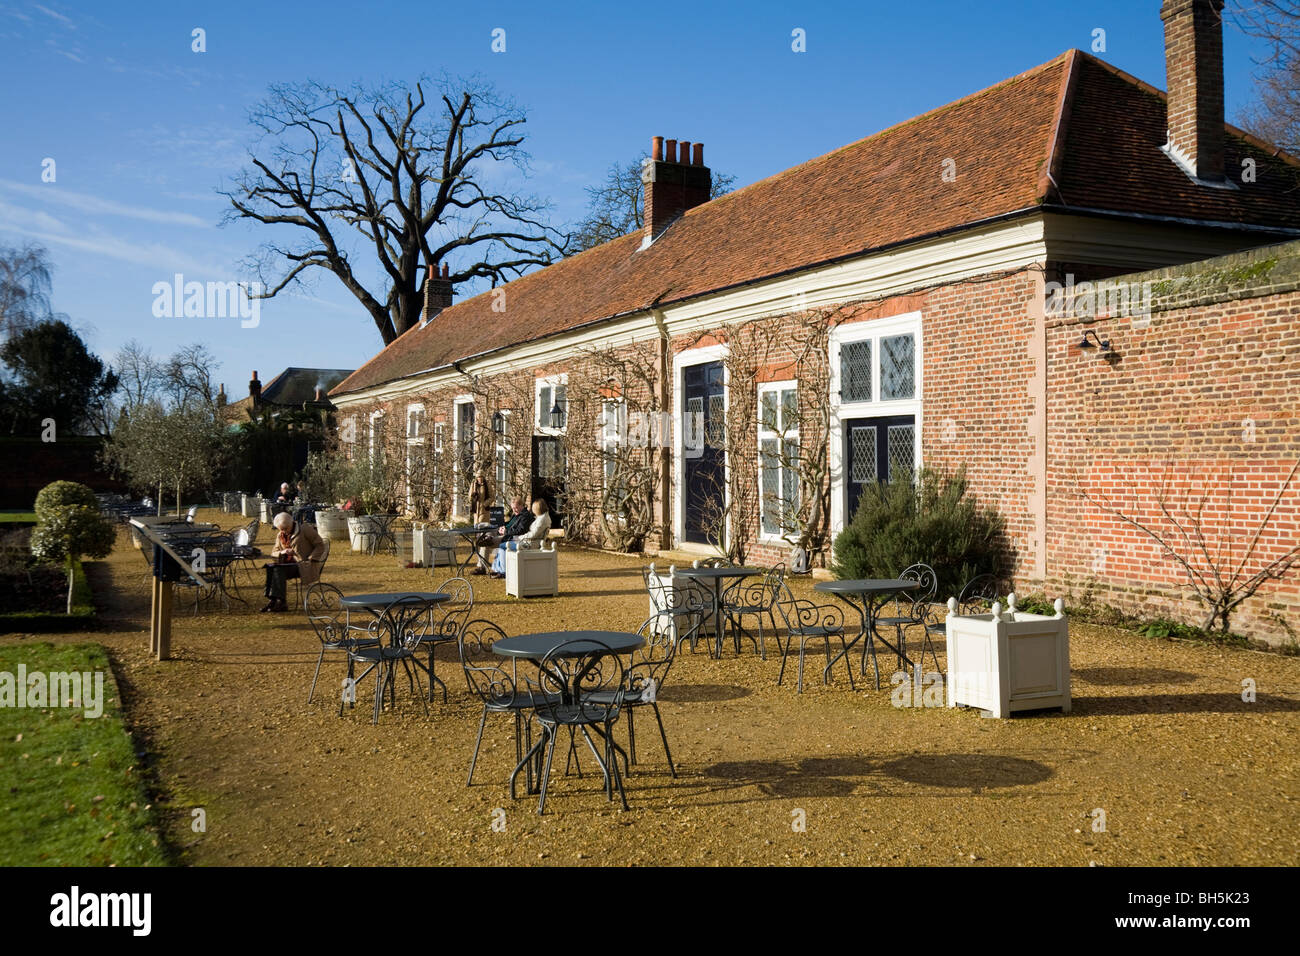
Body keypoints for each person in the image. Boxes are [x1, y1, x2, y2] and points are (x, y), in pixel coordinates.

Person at [261, 511, 327, 612]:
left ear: (292, 523)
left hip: (304, 566)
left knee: (278, 569)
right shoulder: (280, 535)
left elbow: (320, 545)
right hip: (288, 565)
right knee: (271, 568)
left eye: (286, 528)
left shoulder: (304, 529)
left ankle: (281, 603)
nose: (284, 531)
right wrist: (283, 552)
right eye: (281, 529)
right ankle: (274, 601)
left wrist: (311, 559)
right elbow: (273, 552)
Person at [490, 498, 551, 578]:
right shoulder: (542, 518)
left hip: (530, 544)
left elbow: (532, 534)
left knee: (502, 545)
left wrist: (520, 537)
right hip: (531, 541)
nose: (532, 510)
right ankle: (498, 569)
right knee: (502, 544)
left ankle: (503, 571)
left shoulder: (541, 520)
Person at [472, 496, 532, 575]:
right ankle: (488, 538)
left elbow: (520, 530)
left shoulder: (525, 516)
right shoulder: (516, 514)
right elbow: (510, 524)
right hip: (505, 534)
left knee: (486, 543)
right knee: (488, 532)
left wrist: (506, 531)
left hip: (511, 538)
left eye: (516, 508)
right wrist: (502, 527)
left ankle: (482, 567)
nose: (514, 510)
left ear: (522, 505)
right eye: (513, 508)